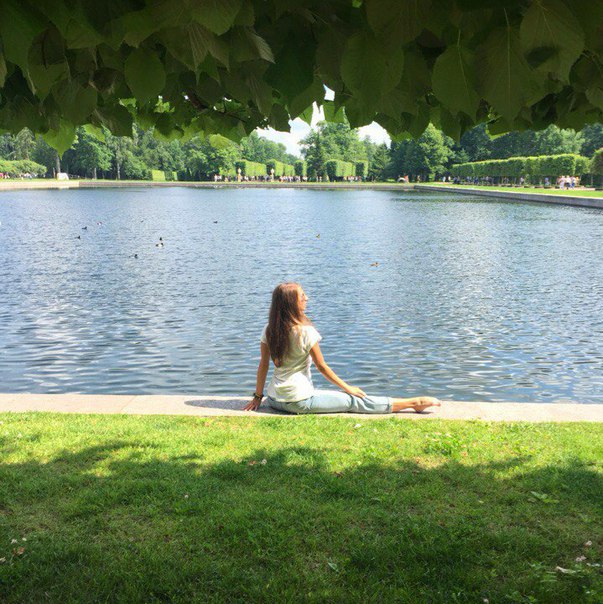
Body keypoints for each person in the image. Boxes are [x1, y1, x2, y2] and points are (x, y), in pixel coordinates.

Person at [244, 283, 441, 415]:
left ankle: (410, 403)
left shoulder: (269, 329)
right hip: (298, 401)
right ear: (291, 303)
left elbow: (263, 365)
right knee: (352, 401)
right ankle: (413, 403)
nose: (307, 298)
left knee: (334, 396)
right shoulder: (306, 332)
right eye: (302, 296)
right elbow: (322, 367)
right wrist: (348, 389)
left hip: (275, 399)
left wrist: (258, 397)